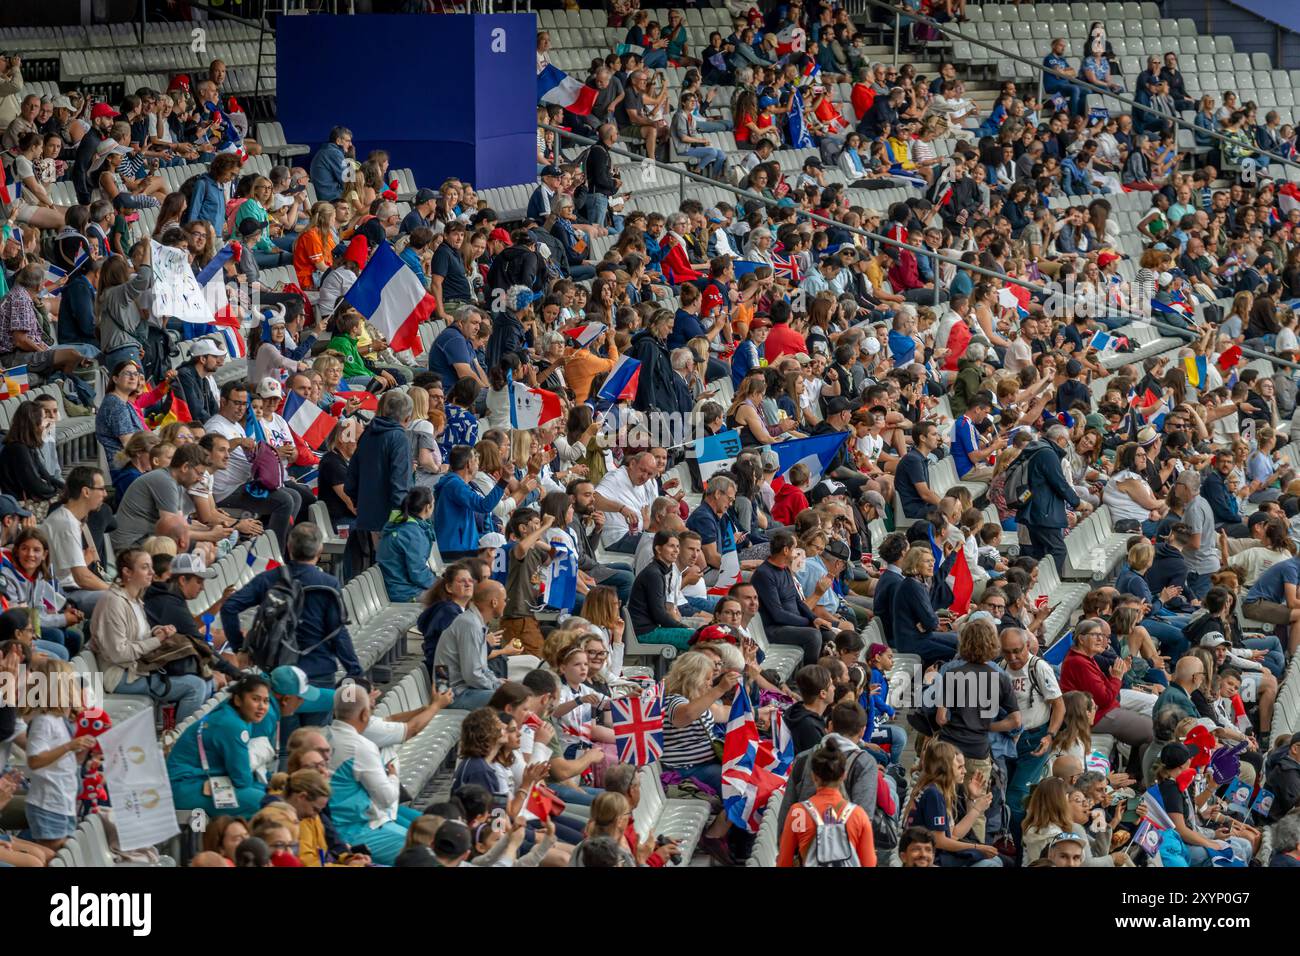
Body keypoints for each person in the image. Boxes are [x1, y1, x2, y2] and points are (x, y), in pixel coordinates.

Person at [220, 523, 362, 692]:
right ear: (320, 550)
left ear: (289, 547)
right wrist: (355, 671)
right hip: (319, 669)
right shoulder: (329, 584)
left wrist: (241, 647)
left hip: (280, 671)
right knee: (318, 718)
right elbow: (338, 632)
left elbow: (229, 607)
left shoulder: (269, 578)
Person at [89, 547, 211, 722]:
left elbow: (141, 634)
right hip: (120, 675)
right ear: (127, 572)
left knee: (204, 679)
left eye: (151, 567)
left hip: (136, 668)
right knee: (196, 687)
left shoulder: (135, 599)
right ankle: (176, 742)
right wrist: (157, 640)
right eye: (145, 567)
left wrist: (157, 631)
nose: (152, 572)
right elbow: (119, 653)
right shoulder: (113, 603)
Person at [326, 684, 416, 866]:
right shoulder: (361, 746)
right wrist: (393, 776)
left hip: (329, 828)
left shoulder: (318, 736)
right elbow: (387, 798)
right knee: (423, 854)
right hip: (355, 830)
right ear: (364, 714)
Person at [168, 674, 271, 818]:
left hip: (206, 780)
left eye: (266, 701)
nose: (262, 707)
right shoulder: (231, 724)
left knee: (270, 793)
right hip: (187, 787)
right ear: (238, 700)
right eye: (255, 699)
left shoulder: (239, 718)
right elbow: (241, 779)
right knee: (266, 804)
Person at [1001, 626, 1064, 835]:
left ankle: (1018, 844)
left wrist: (1050, 735)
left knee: (1016, 795)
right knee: (1005, 792)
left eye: (1017, 651)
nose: (1012, 657)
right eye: (1007, 651)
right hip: (1008, 739)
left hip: (1035, 738)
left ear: (1027, 646)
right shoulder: (1001, 667)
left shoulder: (1038, 668)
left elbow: (1059, 705)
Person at [901, 740, 1001, 867]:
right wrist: (978, 847)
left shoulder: (939, 790)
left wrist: (973, 802)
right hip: (925, 859)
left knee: (996, 861)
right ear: (945, 768)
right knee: (990, 864)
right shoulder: (933, 794)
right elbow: (939, 841)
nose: (964, 771)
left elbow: (954, 834)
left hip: (933, 854)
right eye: (959, 767)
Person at [345, 389, 413, 573]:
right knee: (390, 572)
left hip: (368, 516)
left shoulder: (367, 434)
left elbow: (351, 478)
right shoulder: (399, 438)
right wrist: (402, 519)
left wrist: (360, 504)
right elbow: (400, 482)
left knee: (377, 569)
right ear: (407, 418)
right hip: (391, 519)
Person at [777, 742, 877, 867]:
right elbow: (869, 863)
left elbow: (784, 861)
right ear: (843, 775)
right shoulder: (858, 815)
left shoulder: (798, 812)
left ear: (813, 776)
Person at [751, 529, 826, 667]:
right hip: (775, 628)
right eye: (794, 548)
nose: (797, 552)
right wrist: (807, 622)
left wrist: (814, 618)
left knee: (828, 632)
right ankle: (810, 679)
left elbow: (798, 600)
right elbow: (777, 614)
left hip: (793, 623)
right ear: (786, 550)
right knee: (813, 636)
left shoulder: (785, 569)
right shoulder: (764, 574)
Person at [42, 467, 111, 616]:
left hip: (69, 588)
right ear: (86, 492)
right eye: (101, 489)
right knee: (117, 600)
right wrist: (115, 591)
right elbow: (82, 578)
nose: (105, 494)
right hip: (65, 593)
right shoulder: (66, 523)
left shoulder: (68, 519)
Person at [432, 580, 507, 710]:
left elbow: (482, 668)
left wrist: (497, 682)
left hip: (462, 690)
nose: (505, 604)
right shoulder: (470, 625)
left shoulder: (474, 621)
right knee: (511, 701)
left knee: (512, 692)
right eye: (504, 600)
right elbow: (472, 675)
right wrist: (497, 687)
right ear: (494, 602)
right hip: (450, 695)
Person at [1018, 424, 1080, 573]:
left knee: (1039, 553)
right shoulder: (1047, 453)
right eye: (1067, 441)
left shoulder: (1037, 447)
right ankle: (1048, 586)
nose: (1067, 445)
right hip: (1042, 512)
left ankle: (1037, 588)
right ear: (1060, 439)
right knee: (1058, 550)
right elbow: (1060, 483)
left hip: (1032, 508)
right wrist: (1077, 502)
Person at [628, 530, 695, 650]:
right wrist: (683, 628)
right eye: (671, 546)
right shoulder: (654, 574)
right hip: (645, 632)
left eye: (678, 546)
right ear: (658, 549)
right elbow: (659, 614)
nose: (676, 551)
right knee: (696, 637)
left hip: (649, 628)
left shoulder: (659, 571)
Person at [892, 545, 958, 665]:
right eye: (927, 561)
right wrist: (929, 623)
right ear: (915, 564)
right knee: (958, 652)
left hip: (921, 636)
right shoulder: (913, 586)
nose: (932, 564)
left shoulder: (916, 583)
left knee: (960, 639)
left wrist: (927, 623)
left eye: (932, 561)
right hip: (913, 643)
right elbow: (931, 622)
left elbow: (929, 620)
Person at [376, 487, 437, 603]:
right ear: (428, 507)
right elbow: (418, 572)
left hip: (396, 587)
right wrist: (440, 584)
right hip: (405, 592)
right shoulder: (412, 533)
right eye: (433, 503)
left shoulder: (400, 523)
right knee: (454, 597)